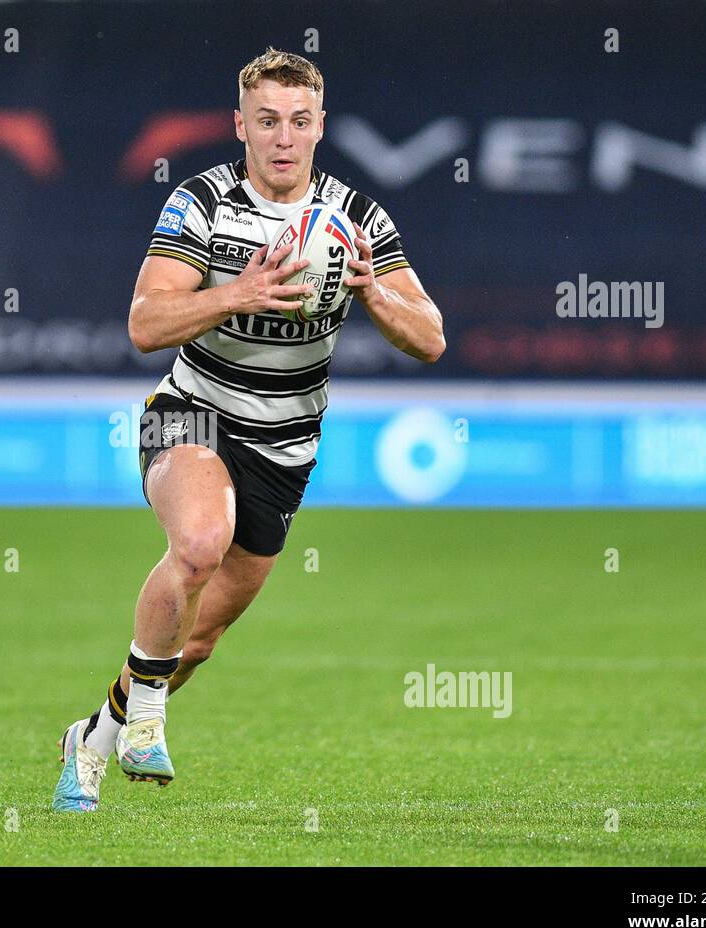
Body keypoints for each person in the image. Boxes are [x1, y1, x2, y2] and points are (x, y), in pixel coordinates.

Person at [53, 47, 445, 812]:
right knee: (198, 542)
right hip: (192, 412)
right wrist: (236, 293)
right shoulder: (200, 203)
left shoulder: (356, 220)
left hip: (284, 447)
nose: (283, 138)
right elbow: (145, 321)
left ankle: (94, 738)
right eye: (267, 121)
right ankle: (150, 720)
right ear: (240, 126)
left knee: (194, 643)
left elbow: (430, 337)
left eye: (299, 122)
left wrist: (374, 294)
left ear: (321, 127)